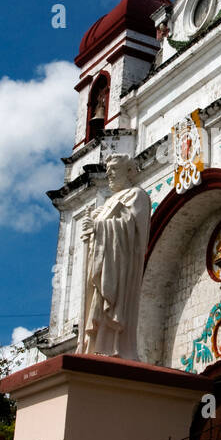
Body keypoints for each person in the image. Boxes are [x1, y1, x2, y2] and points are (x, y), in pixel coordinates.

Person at [78, 154, 151, 359]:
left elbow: (134, 235)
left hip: (119, 270)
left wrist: (100, 227)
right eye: (108, 170)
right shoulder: (107, 203)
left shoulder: (136, 196)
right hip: (101, 267)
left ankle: (115, 348)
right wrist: (91, 231)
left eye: (114, 169)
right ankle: (95, 346)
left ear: (128, 171)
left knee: (112, 311)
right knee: (98, 310)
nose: (109, 174)